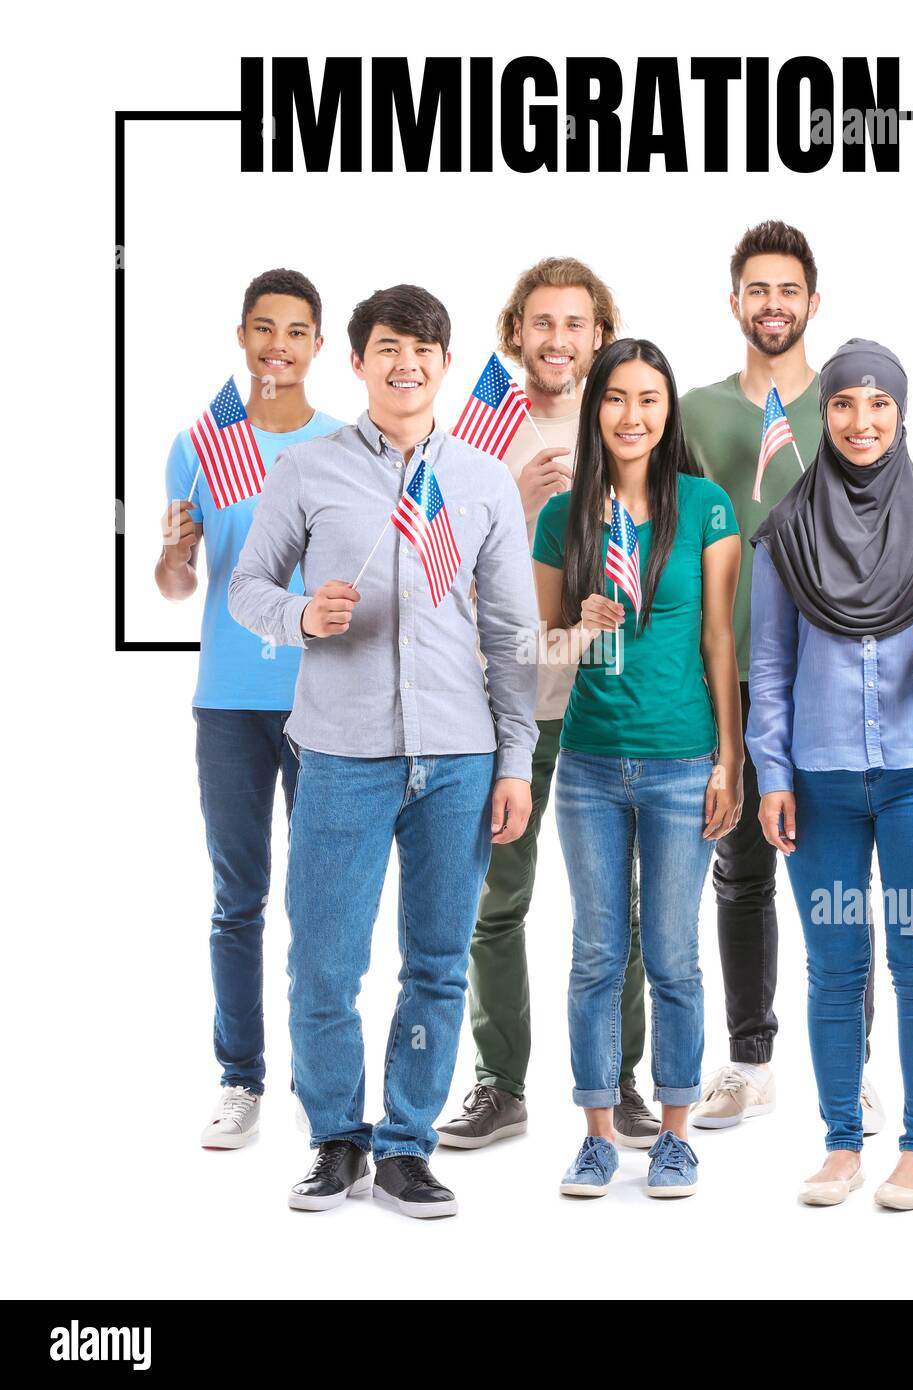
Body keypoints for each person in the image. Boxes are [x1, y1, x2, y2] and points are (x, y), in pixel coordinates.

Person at [228, 285, 539, 1218]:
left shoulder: (481, 483)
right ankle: (336, 1138)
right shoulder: (308, 473)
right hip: (341, 754)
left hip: (459, 757)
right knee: (323, 961)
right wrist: (297, 615)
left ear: (446, 365)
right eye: (389, 347)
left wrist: (515, 760)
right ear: (356, 362)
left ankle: (406, 1142)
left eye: (426, 349)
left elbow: (513, 631)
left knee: (438, 960)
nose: (408, 363)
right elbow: (247, 585)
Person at [748, 338, 913, 1210]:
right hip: (822, 788)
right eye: (843, 403)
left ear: (900, 415)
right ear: (823, 413)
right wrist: (773, 775)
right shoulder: (785, 535)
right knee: (836, 966)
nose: (860, 420)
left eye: (878, 404)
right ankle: (841, 1143)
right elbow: (768, 668)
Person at [438, 258, 658, 1152]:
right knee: (496, 902)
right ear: (515, 333)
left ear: (599, 334)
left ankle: (624, 1078)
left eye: (575, 324)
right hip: (512, 701)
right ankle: (500, 1083)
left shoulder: (629, 421)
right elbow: (434, 568)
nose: (558, 340)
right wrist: (512, 501)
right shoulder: (478, 433)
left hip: (608, 696)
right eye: (541, 323)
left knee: (623, 906)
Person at [681, 221, 883, 1134]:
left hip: (834, 675)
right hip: (726, 672)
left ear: (810, 302)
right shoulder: (696, 414)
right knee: (740, 867)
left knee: (841, 876)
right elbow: (663, 534)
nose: (771, 306)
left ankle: (856, 1062)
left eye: (786, 291)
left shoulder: (846, 405)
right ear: (735, 304)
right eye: (755, 291)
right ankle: (749, 1060)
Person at [533, 338, 743, 1199]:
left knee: (672, 955)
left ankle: (674, 1134)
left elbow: (719, 638)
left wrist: (729, 760)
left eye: (648, 400)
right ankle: (592, 1133)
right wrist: (582, 628)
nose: (631, 416)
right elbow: (538, 653)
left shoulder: (706, 507)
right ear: (596, 411)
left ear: (668, 412)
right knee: (593, 951)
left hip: (682, 760)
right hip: (585, 765)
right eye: (615, 399)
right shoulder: (561, 516)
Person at [156, 268, 343, 1149]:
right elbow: (177, 584)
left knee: (322, 901)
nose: (278, 345)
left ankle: (321, 1082)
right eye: (263, 329)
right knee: (239, 897)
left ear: (316, 343)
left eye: (296, 330)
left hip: (326, 700)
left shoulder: (346, 444)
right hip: (230, 700)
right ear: (241, 336)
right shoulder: (201, 447)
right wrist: (172, 553)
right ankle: (241, 1079)